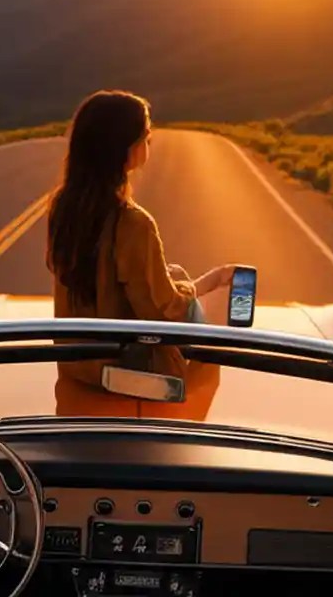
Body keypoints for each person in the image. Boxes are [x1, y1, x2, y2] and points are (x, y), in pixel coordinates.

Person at [46, 89, 236, 418]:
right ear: (124, 148)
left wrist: (194, 282)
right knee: (218, 318)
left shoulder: (63, 207)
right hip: (128, 375)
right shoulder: (132, 223)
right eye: (146, 136)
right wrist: (205, 291)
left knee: (174, 273)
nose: (150, 142)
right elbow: (161, 312)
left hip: (78, 367)